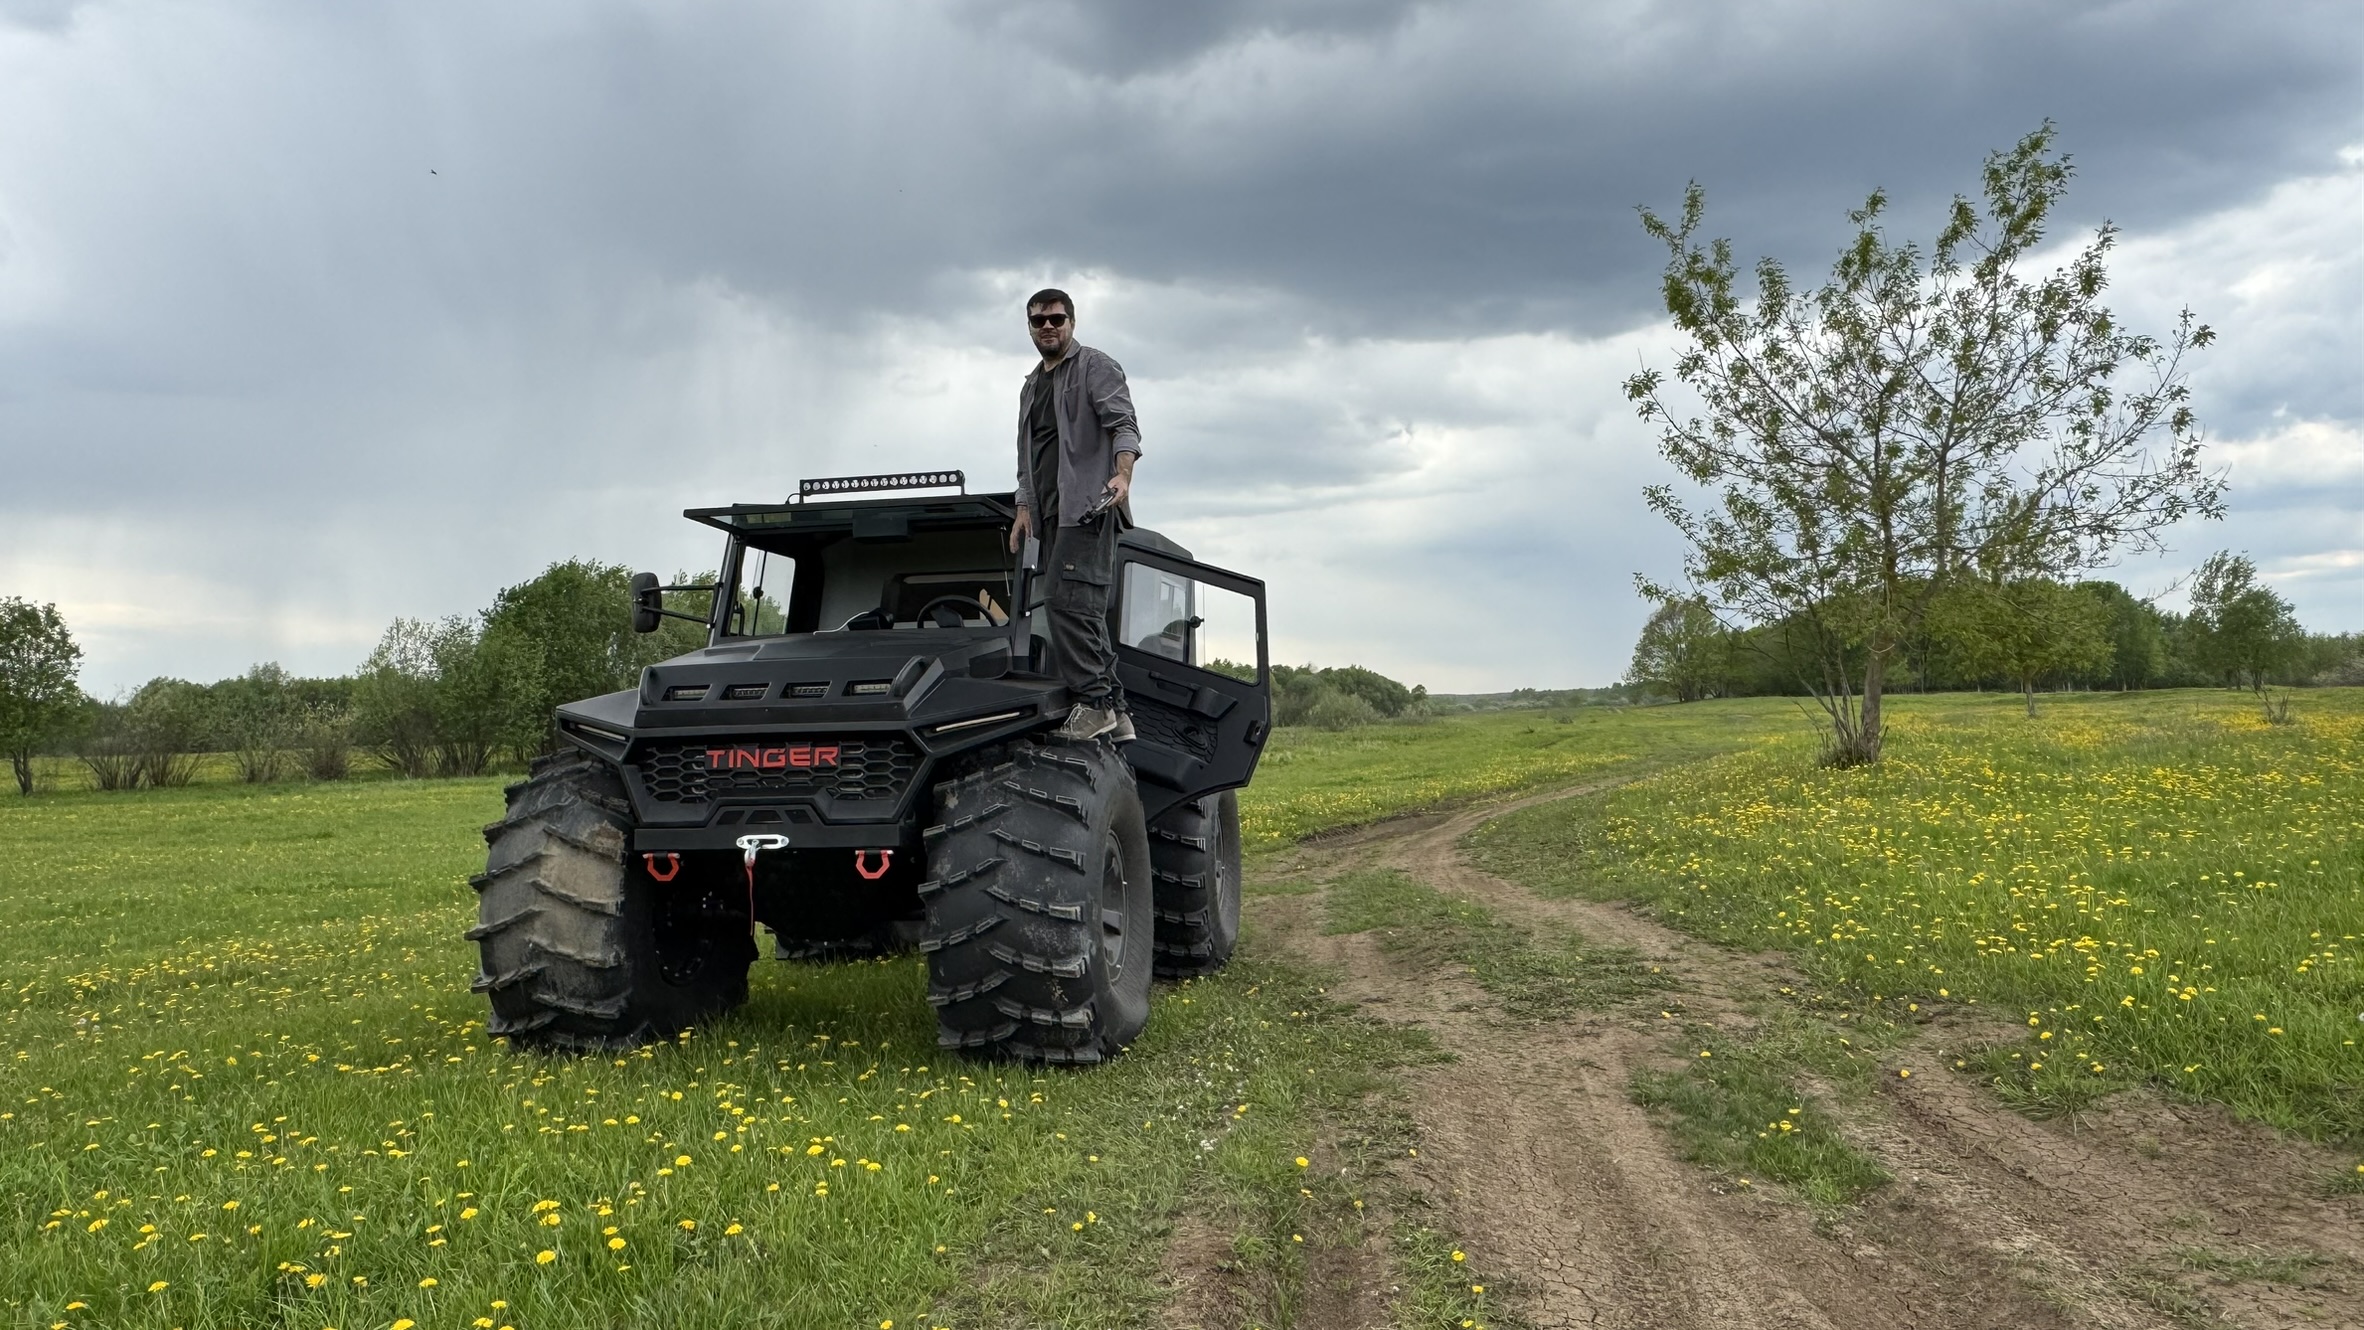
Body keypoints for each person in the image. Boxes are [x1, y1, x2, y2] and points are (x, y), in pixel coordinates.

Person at [1009, 287, 1139, 742]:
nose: (1048, 326)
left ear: (1072, 323)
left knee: (1065, 602)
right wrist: (1023, 507)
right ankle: (1116, 710)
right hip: (1049, 514)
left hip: (1088, 508)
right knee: (1081, 609)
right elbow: (1028, 456)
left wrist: (1123, 475)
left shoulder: (1094, 367)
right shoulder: (1031, 386)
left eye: (1057, 319)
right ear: (1030, 327)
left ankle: (1094, 704)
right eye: (1038, 320)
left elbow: (1124, 425)